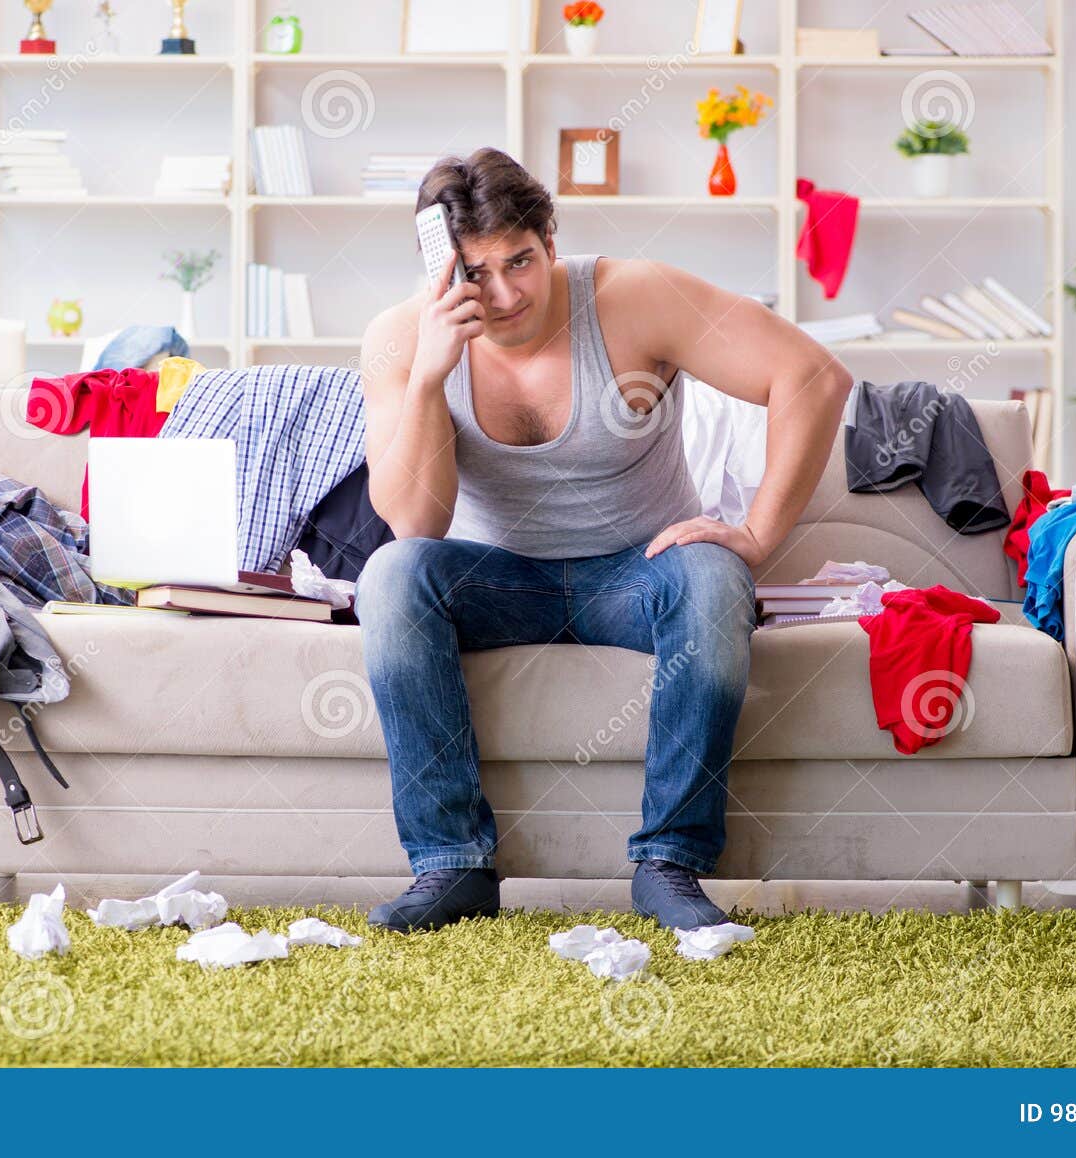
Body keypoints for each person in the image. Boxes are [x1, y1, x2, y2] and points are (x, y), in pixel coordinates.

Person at [355, 147, 852, 932]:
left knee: (714, 575)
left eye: (521, 261)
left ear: (550, 241)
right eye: (476, 273)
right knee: (391, 574)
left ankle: (671, 865)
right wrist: (426, 376)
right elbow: (418, 523)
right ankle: (452, 865)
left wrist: (757, 533)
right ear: (442, 273)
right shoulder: (399, 337)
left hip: (639, 574)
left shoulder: (633, 297)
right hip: (496, 581)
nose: (505, 295)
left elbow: (813, 376)